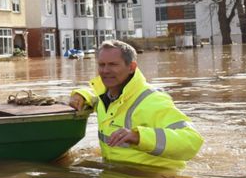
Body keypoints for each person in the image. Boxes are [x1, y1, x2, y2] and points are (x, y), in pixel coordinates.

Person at [69, 39, 203, 169]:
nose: (105, 71)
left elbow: (192, 140)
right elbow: (94, 95)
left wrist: (139, 137)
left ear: (131, 67)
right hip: (116, 177)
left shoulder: (153, 100)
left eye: (113, 64)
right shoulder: (103, 98)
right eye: (102, 65)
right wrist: (81, 95)